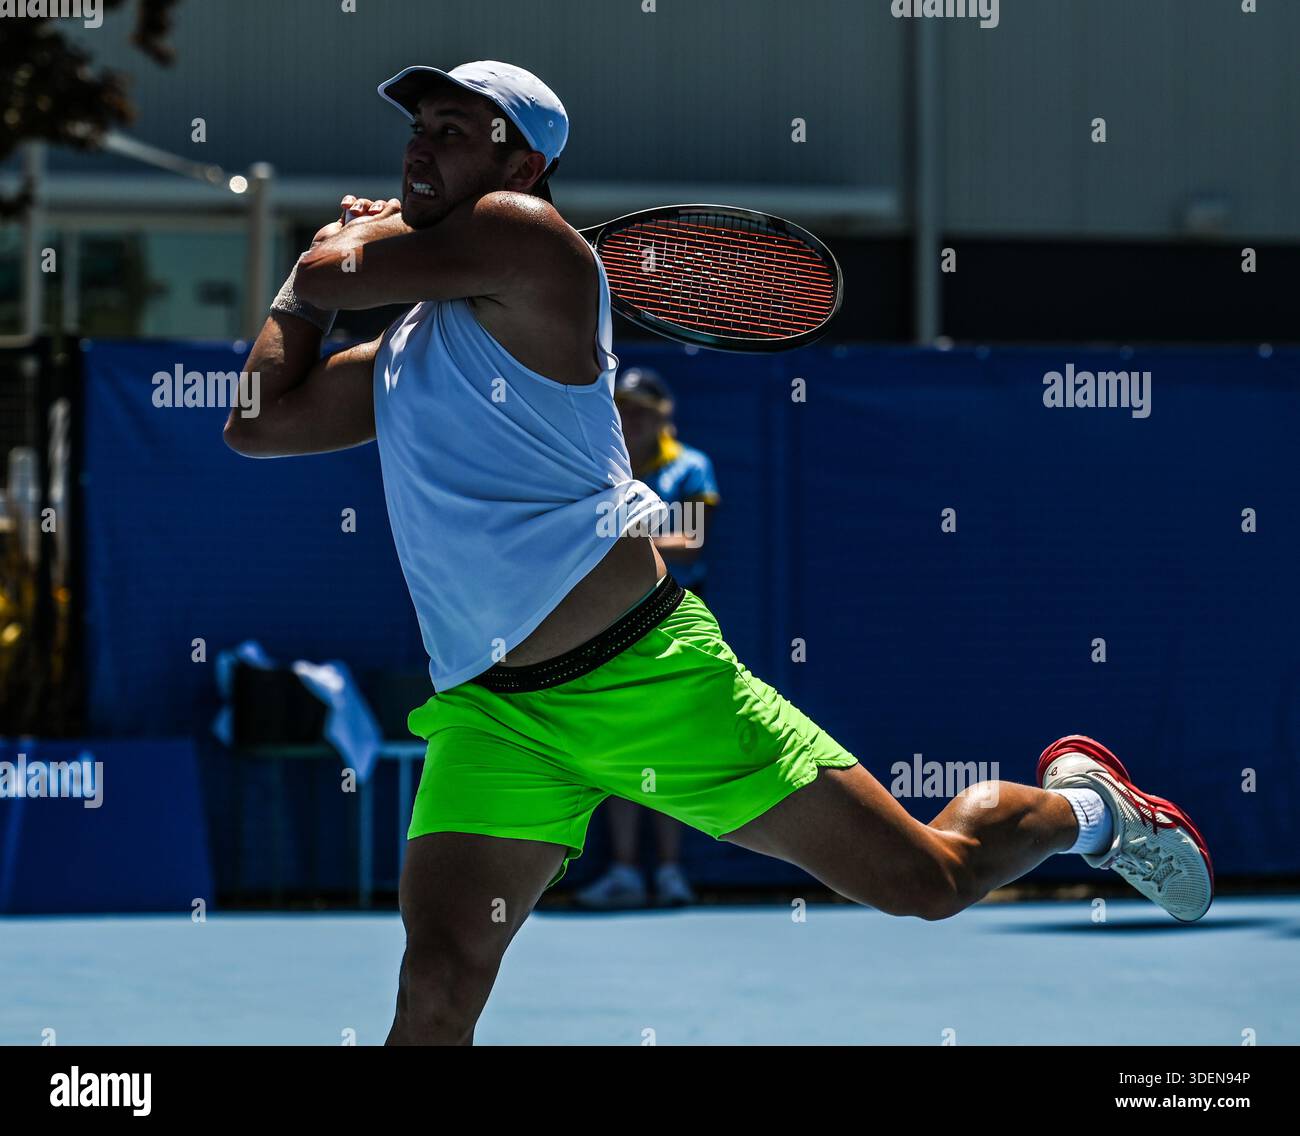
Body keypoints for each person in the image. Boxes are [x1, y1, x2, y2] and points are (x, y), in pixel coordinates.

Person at [223, 60, 1214, 1046]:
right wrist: (314, 282)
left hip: (647, 678)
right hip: (494, 716)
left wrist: (333, 251)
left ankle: (1085, 809)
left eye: (453, 128)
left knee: (928, 881)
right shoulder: (404, 349)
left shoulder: (531, 241)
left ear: (523, 165)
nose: (420, 143)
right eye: (419, 125)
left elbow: (330, 271)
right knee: (434, 987)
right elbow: (259, 423)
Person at [575, 368, 719, 908]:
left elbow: (693, 542)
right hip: (608, 628)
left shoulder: (691, 466)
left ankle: (672, 872)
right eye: (623, 408)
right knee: (624, 752)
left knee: (670, 752)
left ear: (663, 416)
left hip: (675, 625)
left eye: (641, 410)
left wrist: (619, 539)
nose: (630, 418)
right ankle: (626, 872)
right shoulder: (600, 468)